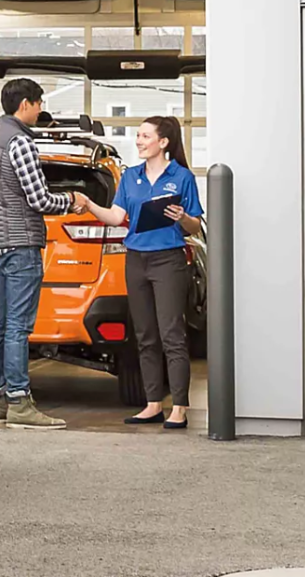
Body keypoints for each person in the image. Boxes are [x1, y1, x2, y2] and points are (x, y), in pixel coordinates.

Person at [76, 116, 203, 429]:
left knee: (172, 334)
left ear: (163, 142)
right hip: (136, 260)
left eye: (145, 136)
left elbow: (195, 224)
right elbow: (116, 216)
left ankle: (180, 408)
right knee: (145, 335)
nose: (138, 141)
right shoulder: (130, 177)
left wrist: (182, 216)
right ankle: (152, 405)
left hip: (168, 261)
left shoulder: (182, 177)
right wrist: (91, 204)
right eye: (138, 135)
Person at [0, 78, 76, 429]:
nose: (40, 109)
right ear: (24, 105)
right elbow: (40, 200)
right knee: (18, 326)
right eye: (38, 103)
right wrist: (72, 202)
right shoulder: (20, 142)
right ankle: (20, 402)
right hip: (21, 243)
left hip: (0, 243)